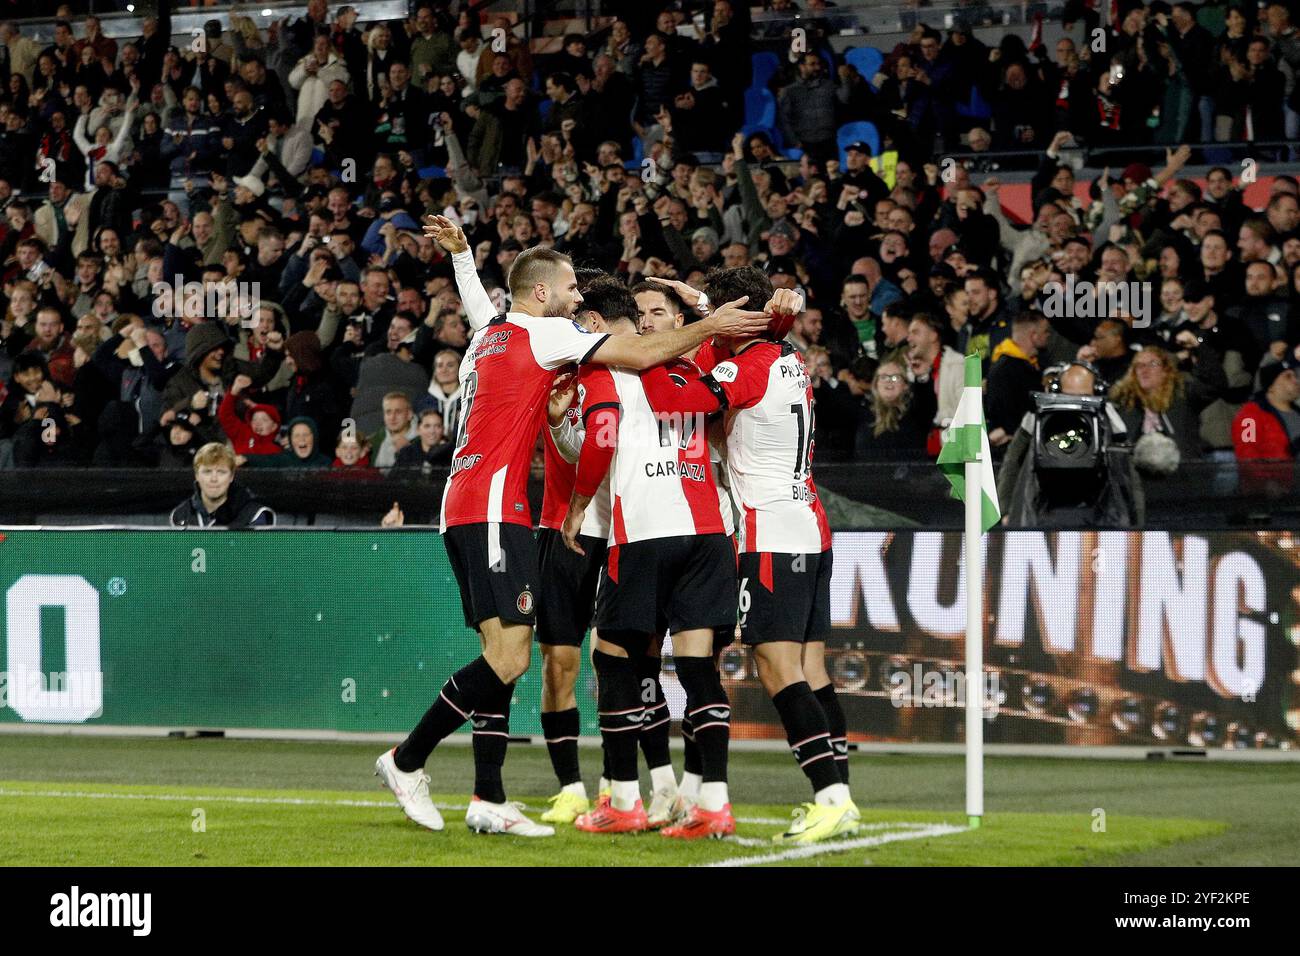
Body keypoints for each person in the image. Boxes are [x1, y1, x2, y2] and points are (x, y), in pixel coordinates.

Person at [373, 217, 769, 838]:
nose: (577, 298)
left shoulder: (492, 337)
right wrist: (713, 325)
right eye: (567, 290)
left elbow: (485, 307)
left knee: (500, 655)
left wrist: (462, 260)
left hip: (463, 501)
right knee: (510, 659)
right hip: (498, 507)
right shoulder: (546, 334)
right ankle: (407, 759)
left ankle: (488, 796)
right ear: (540, 298)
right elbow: (639, 352)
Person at [624, 267, 860, 844]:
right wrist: (711, 307)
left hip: (770, 531)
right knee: (810, 668)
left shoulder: (747, 365)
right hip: (811, 525)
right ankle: (842, 795)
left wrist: (654, 353)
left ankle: (828, 799)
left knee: (777, 668)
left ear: (740, 317)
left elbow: (681, 399)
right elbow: (757, 323)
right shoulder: (786, 356)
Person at [169, 441, 275, 527]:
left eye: (221, 472)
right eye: (207, 472)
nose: (214, 479)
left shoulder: (254, 515)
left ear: (231, 476)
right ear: (197, 476)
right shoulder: (180, 514)